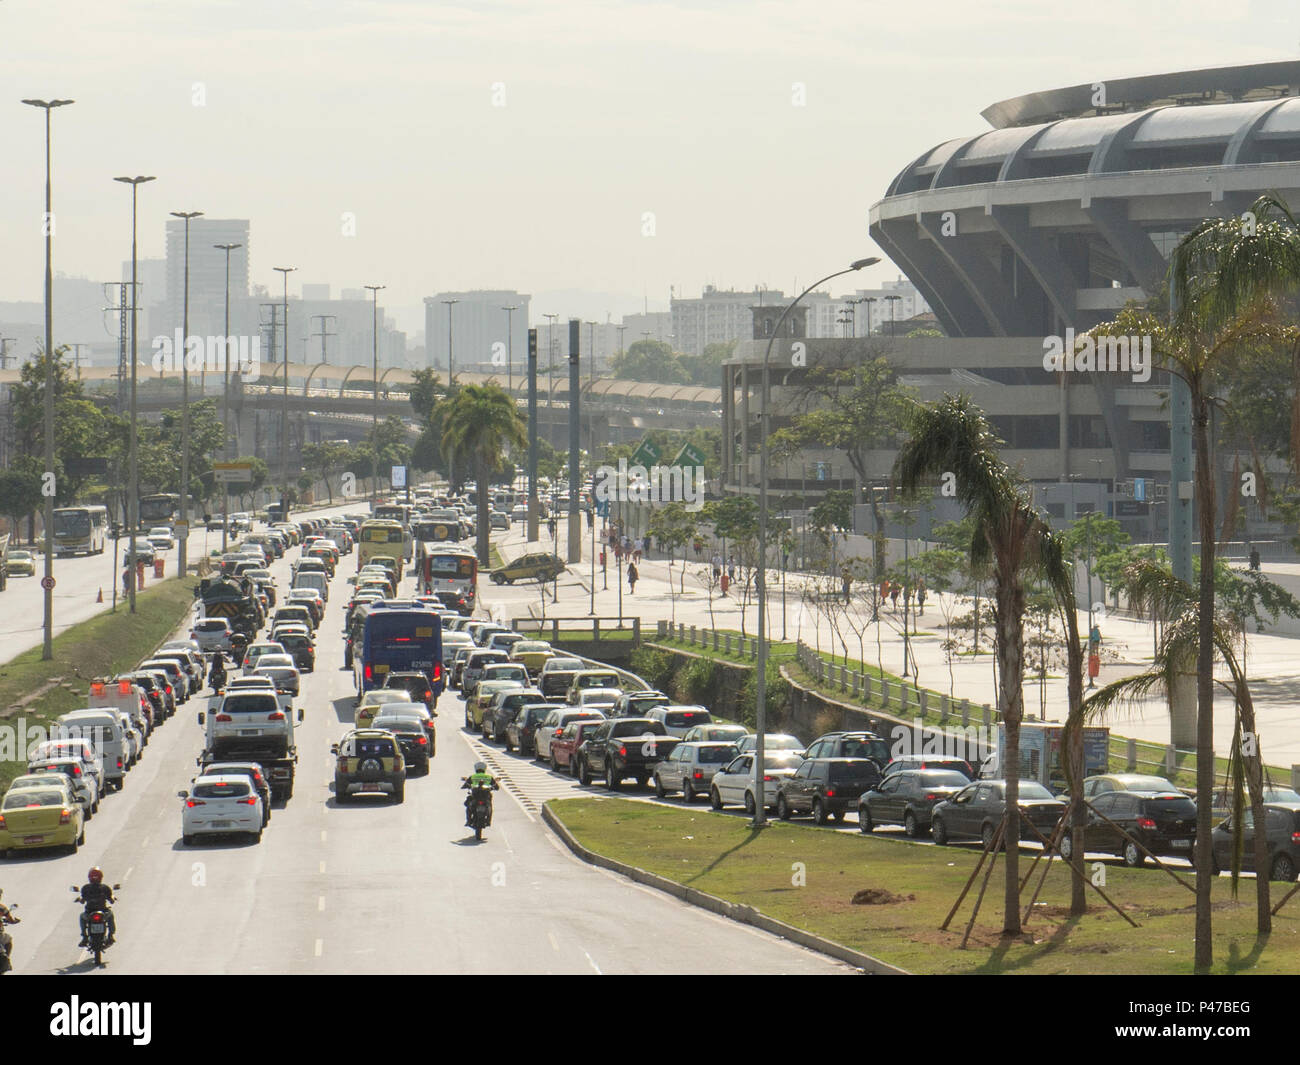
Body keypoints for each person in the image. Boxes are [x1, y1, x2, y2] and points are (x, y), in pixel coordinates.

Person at [76, 867, 116, 947]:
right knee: (110, 915)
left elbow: (83, 900)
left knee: (82, 917)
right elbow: (111, 900)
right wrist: (112, 899)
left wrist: (80, 900)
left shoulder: (86, 888)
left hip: (89, 912)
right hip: (103, 911)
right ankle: (110, 936)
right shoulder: (105, 887)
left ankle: (84, 937)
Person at [462, 762, 500, 826]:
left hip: (475, 795)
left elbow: (465, 785)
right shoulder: (489, 777)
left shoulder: (473, 776)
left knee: (468, 806)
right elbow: (496, 787)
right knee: (489, 805)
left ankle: (468, 820)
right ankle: (488, 821)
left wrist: (465, 786)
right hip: (486, 795)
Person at [0, 889, 19, 969]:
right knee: (9, 940)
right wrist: (14, 921)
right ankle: (7, 960)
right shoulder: (2, 908)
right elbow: (10, 919)